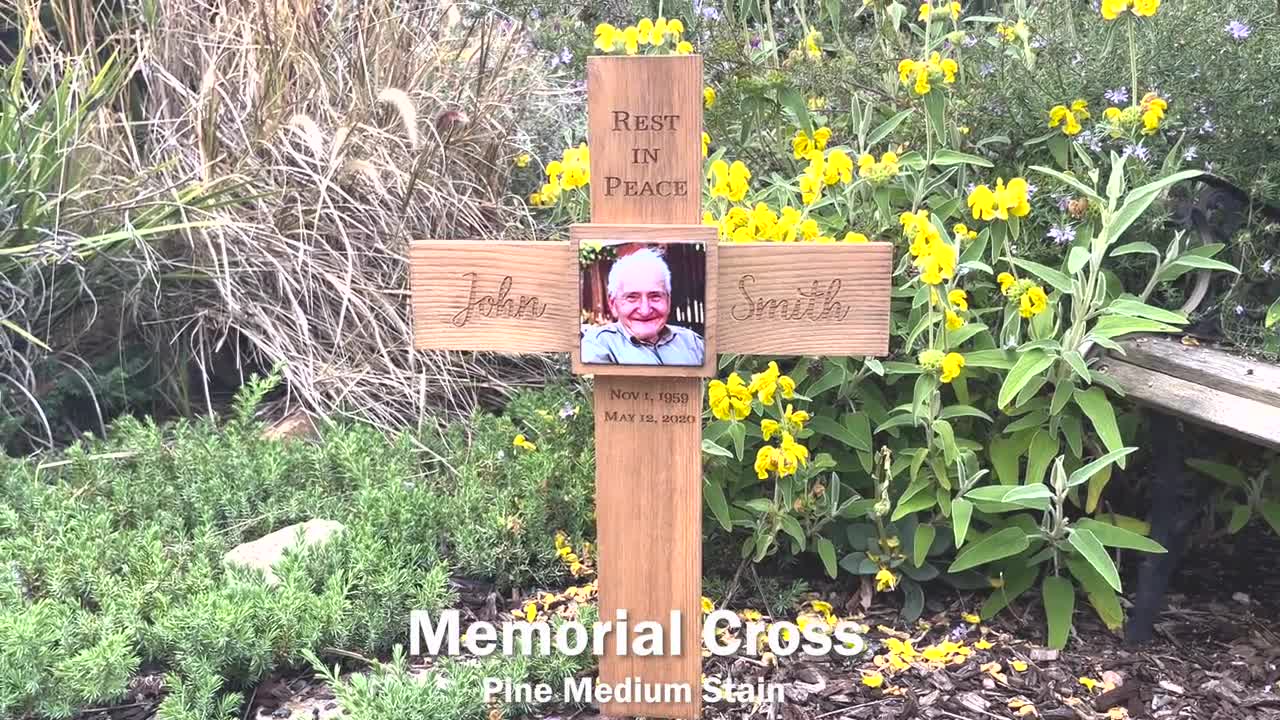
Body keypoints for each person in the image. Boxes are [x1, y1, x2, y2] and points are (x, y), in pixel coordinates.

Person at [581, 247, 705, 366]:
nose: (645, 311)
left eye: (655, 296)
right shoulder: (599, 345)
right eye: (632, 297)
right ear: (613, 304)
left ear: (668, 300)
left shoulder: (691, 342)